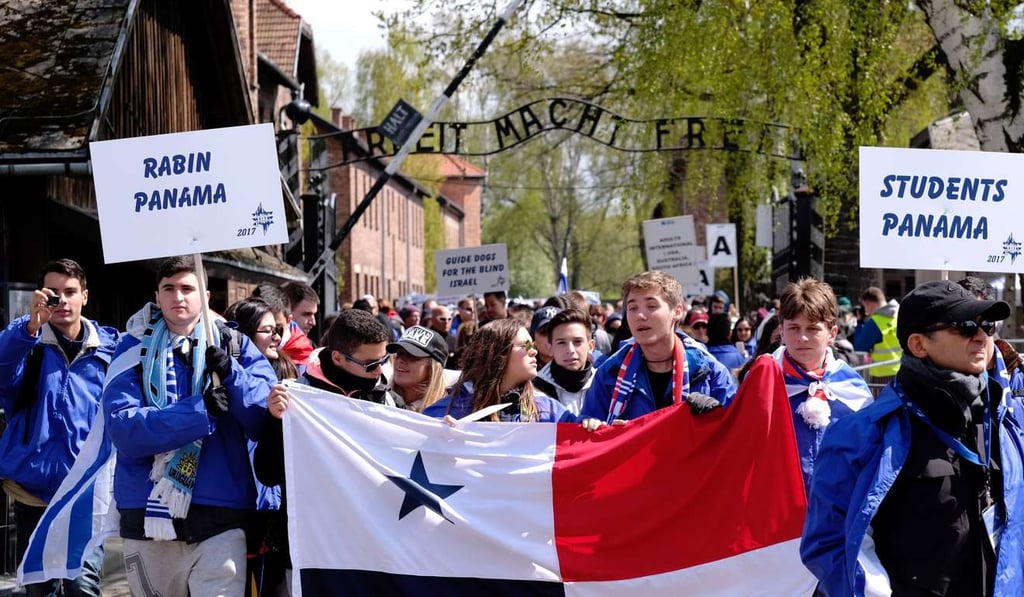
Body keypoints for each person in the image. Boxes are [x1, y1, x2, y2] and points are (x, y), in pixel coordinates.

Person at [801, 280, 1024, 596]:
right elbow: (827, 545)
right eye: (965, 326)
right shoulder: (859, 436)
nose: (981, 336)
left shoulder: (1004, 419)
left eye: (987, 325)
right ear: (919, 344)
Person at [103, 255, 275, 596]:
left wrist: (232, 376)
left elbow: (265, 420)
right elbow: (124, 430)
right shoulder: (131, 348)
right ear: (157, 296)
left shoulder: (236, 346)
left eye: (187, 288)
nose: (178, 297)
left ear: (206, 296)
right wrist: (200, 411)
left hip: (222, 514)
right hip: (148, 517)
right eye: (169, 288)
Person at [0, 259, 119, 597]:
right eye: (53, 293)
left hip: (84, 492)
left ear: (85, 296)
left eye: (70, 292)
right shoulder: (27, 343)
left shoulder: (109, 349)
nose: (62, 301)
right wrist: (28, 327)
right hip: (33, 493)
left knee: (83, 586)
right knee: (39, 588)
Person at [739, 278, 872, 490]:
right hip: (777, 499)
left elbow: (867, 453)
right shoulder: (762, 380)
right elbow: (740, 443)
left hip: (834, 503)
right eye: (794, 328)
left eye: (812, 328)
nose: (802, 337)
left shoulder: (851, 386)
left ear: (832, 334)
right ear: (782, 332)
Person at [580, 271, 737, 430]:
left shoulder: (710, 373)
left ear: (677, 311)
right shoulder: (609, 373)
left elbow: (735, 430)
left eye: (651, 306)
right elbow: (587, 429)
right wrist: (600, 429)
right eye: (632, 308)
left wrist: (712, 419)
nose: (640, 315)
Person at [223, 297, 296, 597]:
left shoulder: (285, 369)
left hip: (274, 507)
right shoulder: (219, 374)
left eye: (278, 329)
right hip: (239, 503)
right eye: (268, 330)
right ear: (242, 336)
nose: (277, 336)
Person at [424, 319, 572, 423]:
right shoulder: (448, 410)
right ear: (497, 353)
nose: (534, 351)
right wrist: (439, 435)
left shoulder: (548, 410)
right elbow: (418, 446)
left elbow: (579, 445)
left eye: (532, 345)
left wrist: (585, 422)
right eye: (525, 345)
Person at [532, 308, 597, 416]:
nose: (570, 350)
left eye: (577, 341)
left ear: (591, 346)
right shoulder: (534, 388)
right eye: (561, 343)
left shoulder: (607, 384)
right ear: (550, 348)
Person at [387, 326, 450, 412]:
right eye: (399, 353)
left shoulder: (446, 411)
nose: (401, 360)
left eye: (412, 356)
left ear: (432, 368)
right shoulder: (379, 399)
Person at [852, 286, 901, 378]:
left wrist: (860, 323)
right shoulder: (900, 314)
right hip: (902, 370)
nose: (866, 312)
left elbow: (859, 347)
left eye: (865, 307)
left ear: (868, 303)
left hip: (882, 374)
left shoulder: (876, 321)